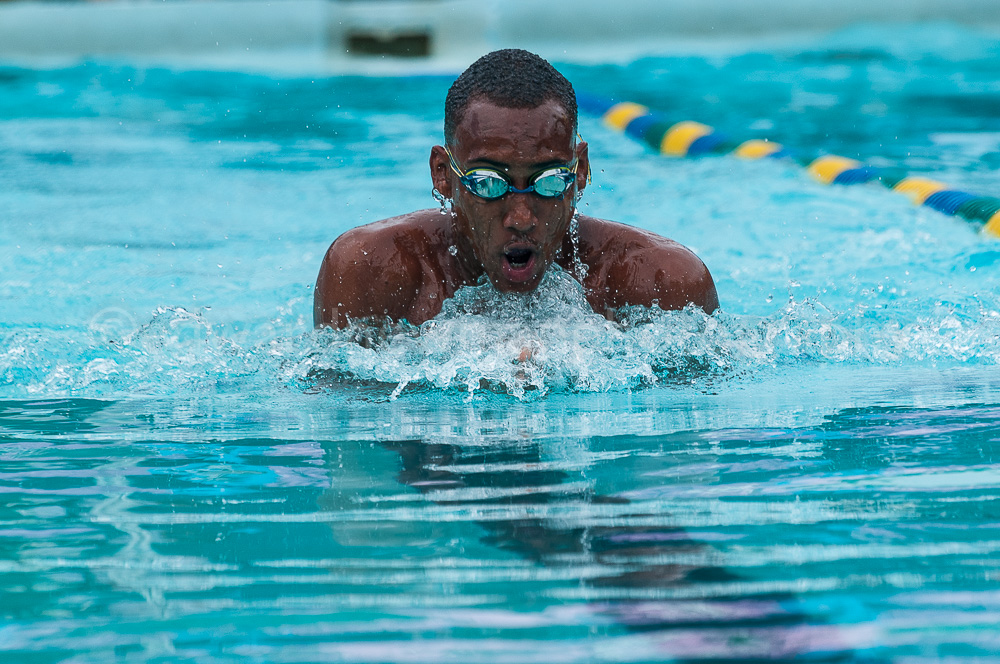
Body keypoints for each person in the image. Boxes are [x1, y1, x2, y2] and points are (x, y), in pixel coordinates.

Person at [314, 49, 718, 329]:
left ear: (579, 171)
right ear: (443, 174)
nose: (521, 218)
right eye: (488, 183)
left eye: (549, 181)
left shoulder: (660, 280)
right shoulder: (371, 270)